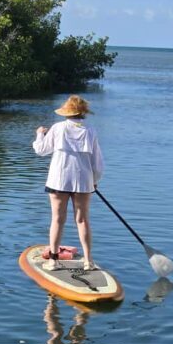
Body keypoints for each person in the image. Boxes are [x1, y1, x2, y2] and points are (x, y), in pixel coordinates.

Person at [33, 95, 104, 271]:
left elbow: (41, 150)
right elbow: (98, 163)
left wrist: (39, 135)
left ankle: (54, 260)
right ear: (83, 113)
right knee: (82, 220)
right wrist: (94, 181)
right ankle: (88, 261)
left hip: (59, 179)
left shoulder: (58, 128)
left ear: (67, 112)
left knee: (57, 219)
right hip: (83, 180)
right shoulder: (90, 130)